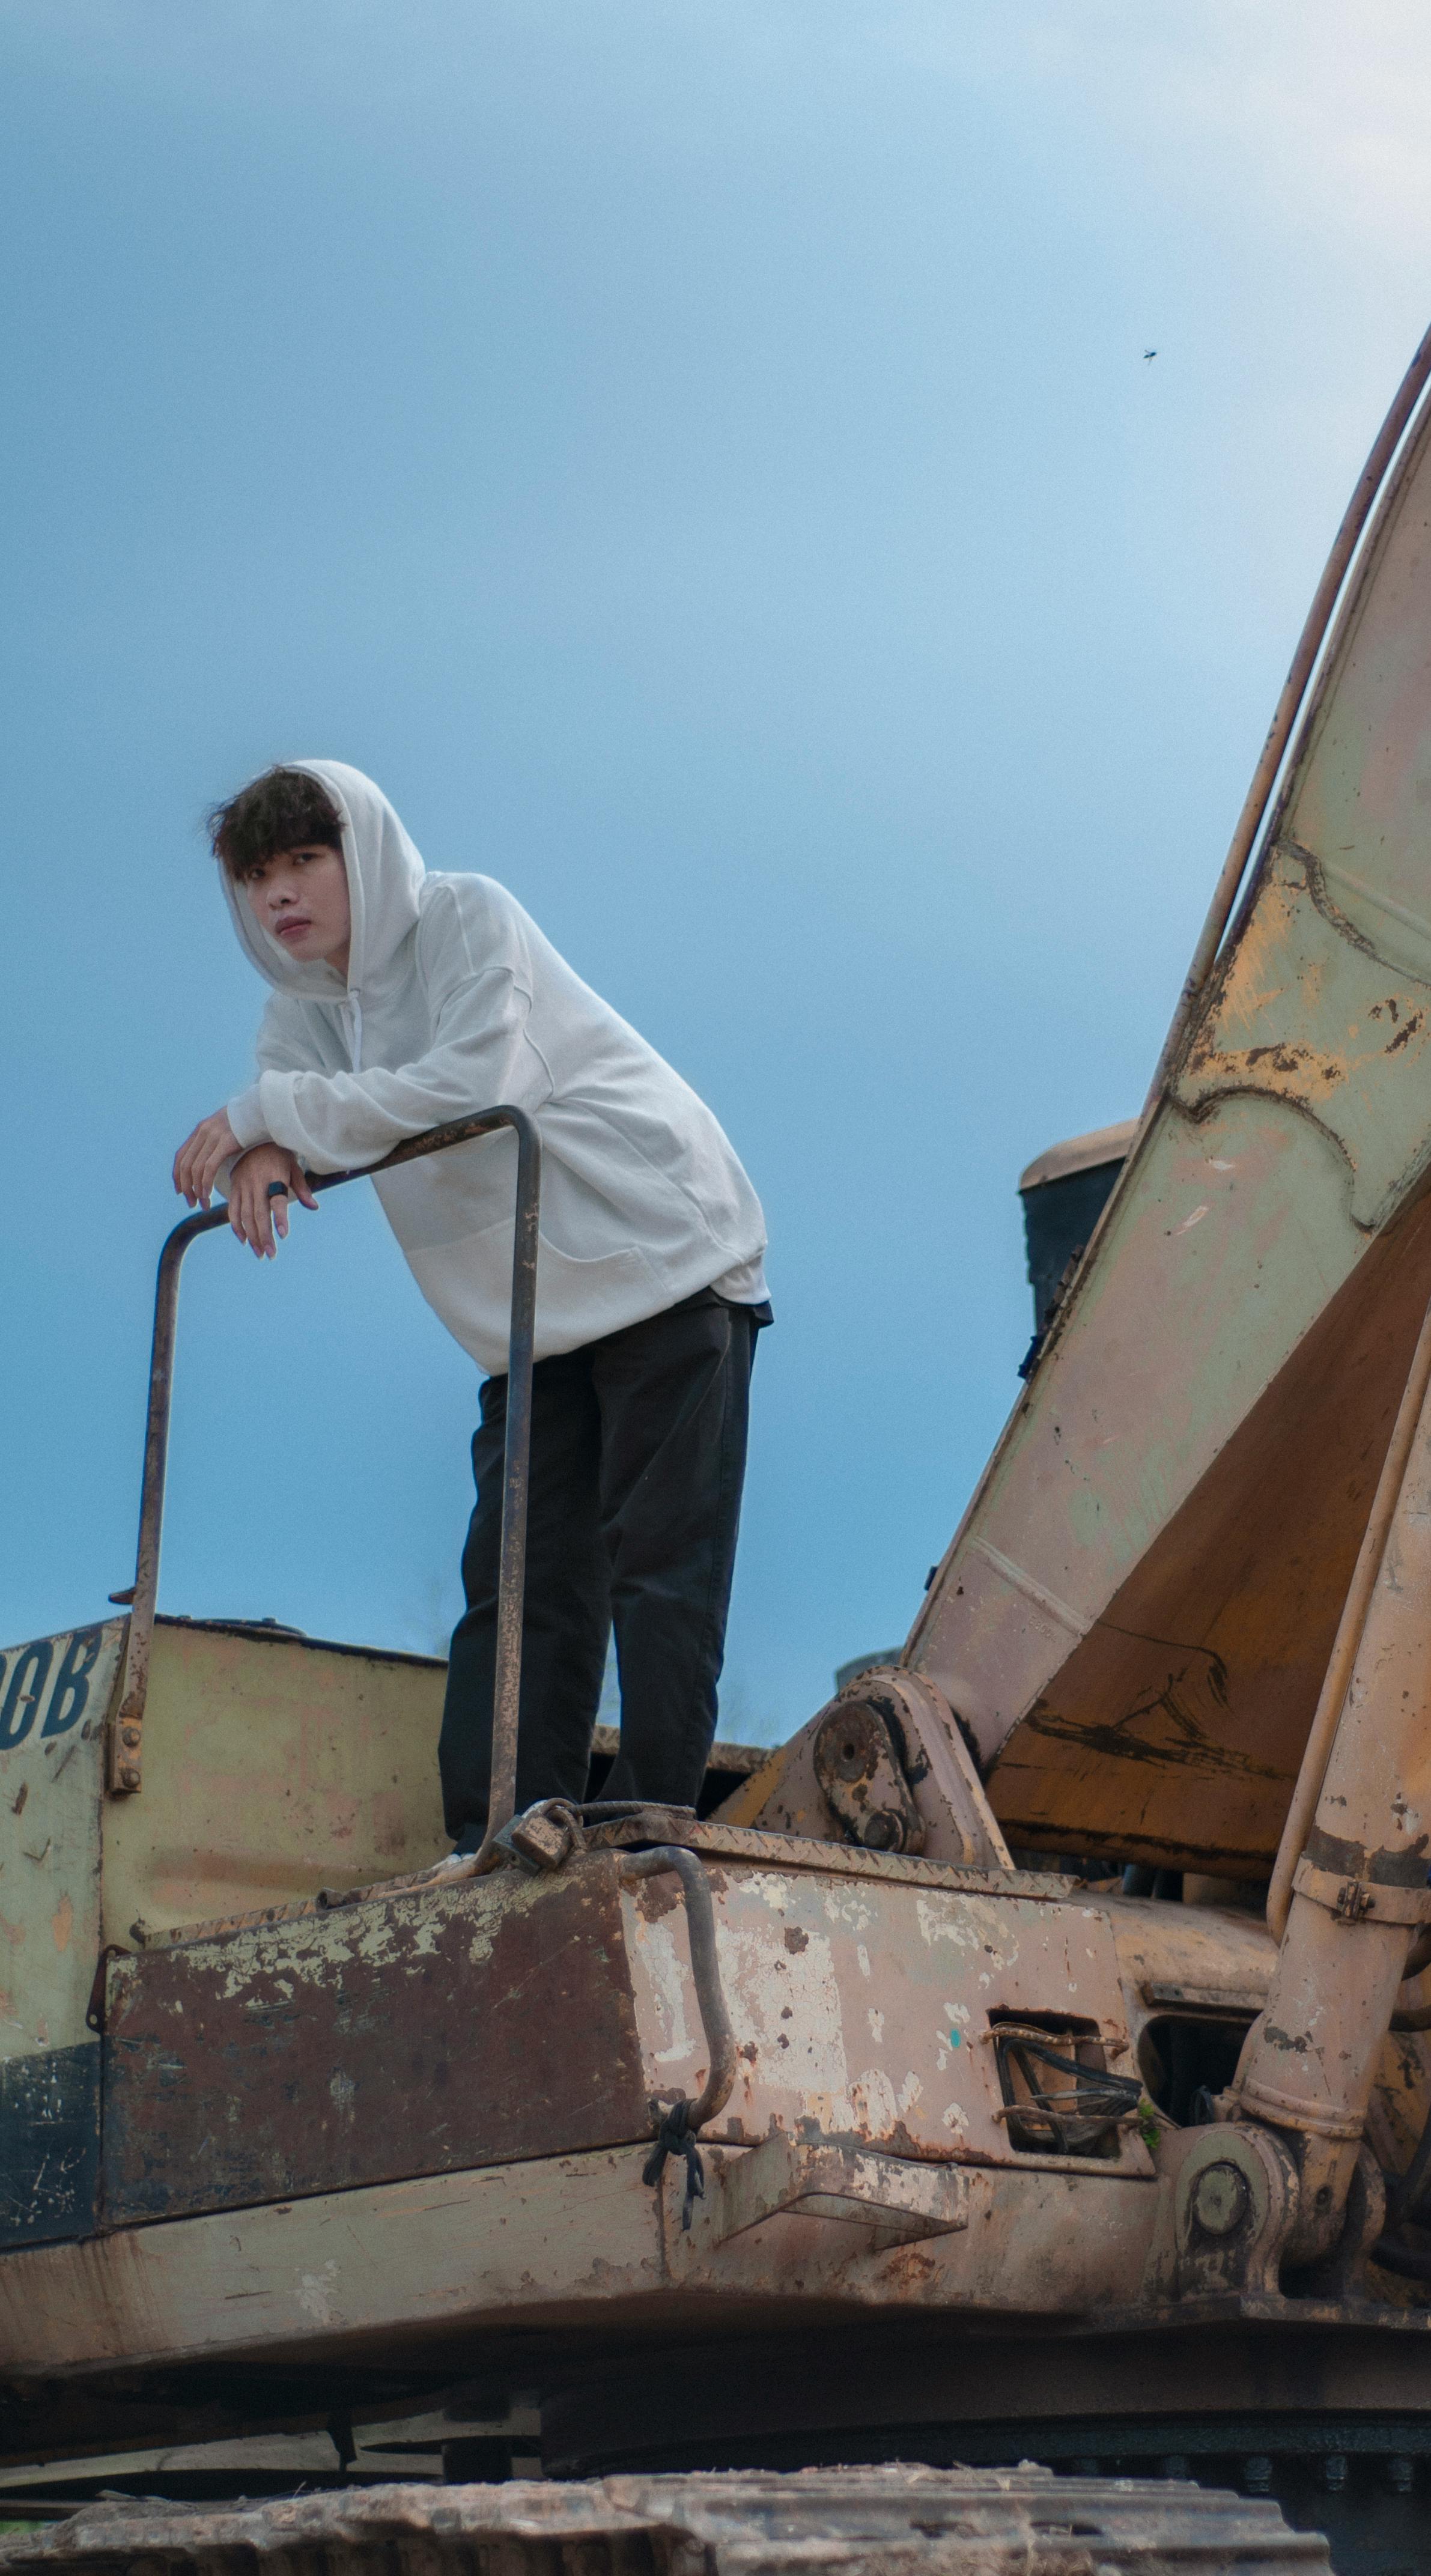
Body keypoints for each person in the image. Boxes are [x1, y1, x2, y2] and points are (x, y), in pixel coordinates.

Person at [173, 760, 770, 1852]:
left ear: (366, 853)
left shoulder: (466, 917)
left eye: (307, 859)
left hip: (662, 1249)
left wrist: (270, 1115)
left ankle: (649, 1821)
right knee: (516, 1585)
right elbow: (309, 1109)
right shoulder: (296, 1018)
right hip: (532, 1318)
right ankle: (499, 1833)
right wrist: (267, 1134)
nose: (279, 894)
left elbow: (477, 1080)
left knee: (657, 1562)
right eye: (258, 874)